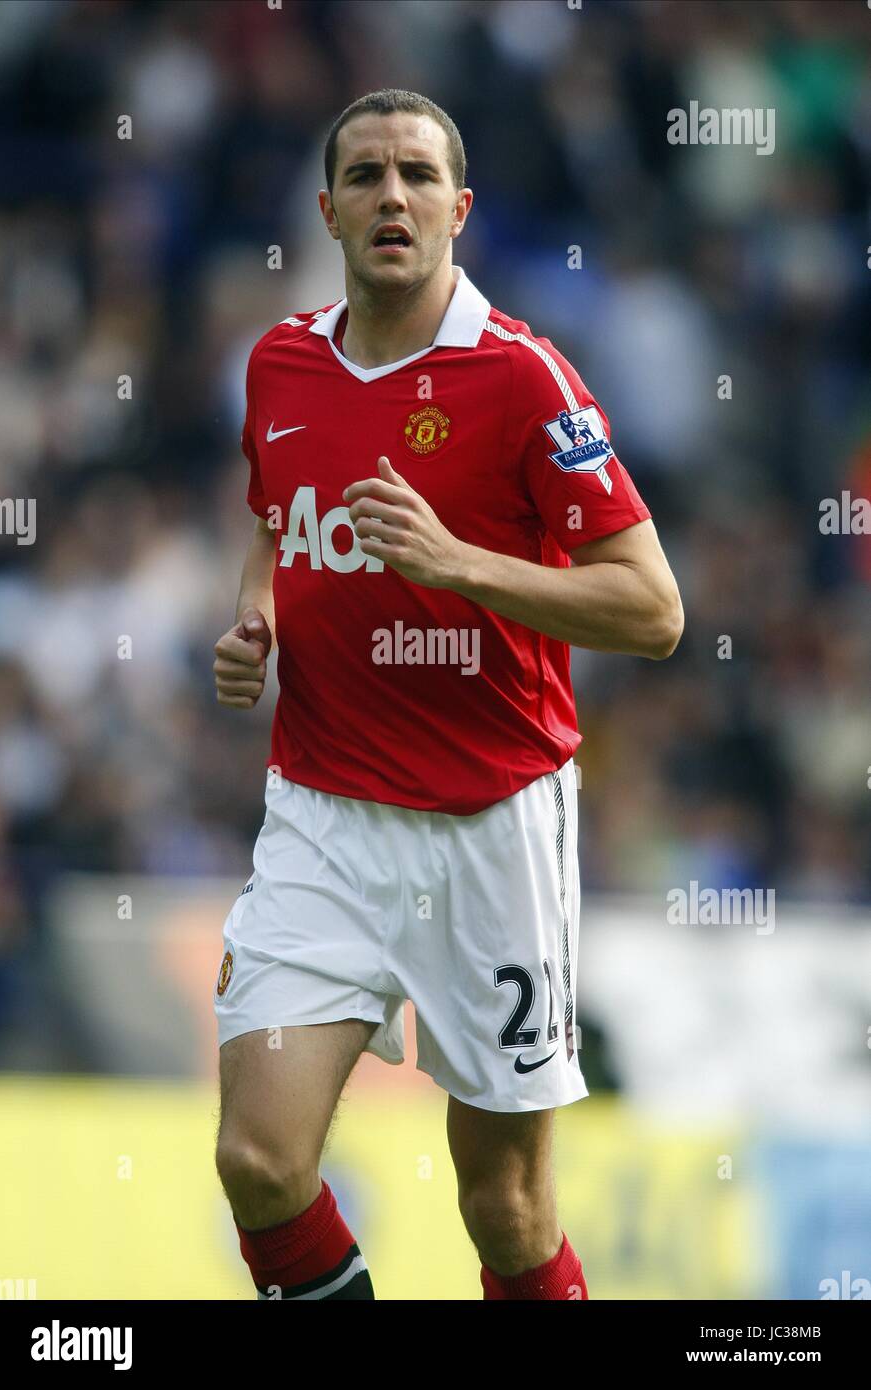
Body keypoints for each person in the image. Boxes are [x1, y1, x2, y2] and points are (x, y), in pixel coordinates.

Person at [211, 88, 683, 1301]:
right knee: (258, 1160)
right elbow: (277, 520)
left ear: (458, 210)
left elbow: (653, 610)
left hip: (491, 826)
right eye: (364, 176)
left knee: (506, 1207)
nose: (392, 197)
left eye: (417, 176)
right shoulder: (278, 364)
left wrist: (455, 563)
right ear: (325, 209)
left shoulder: (525, 378)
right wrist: (258, 616)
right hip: (320, 813)